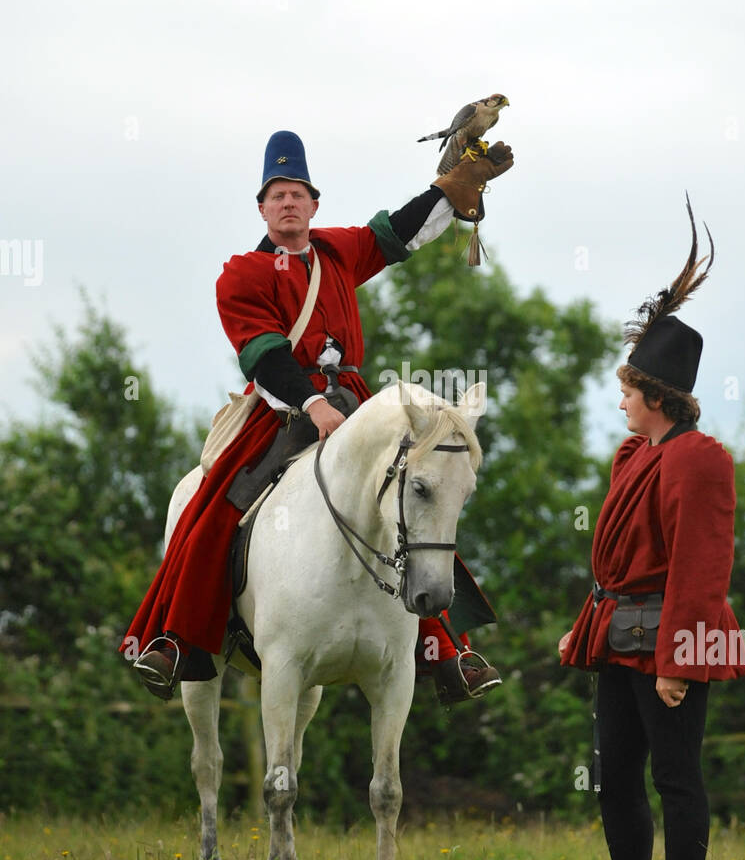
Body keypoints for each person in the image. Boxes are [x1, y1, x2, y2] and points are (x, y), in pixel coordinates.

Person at [123, 129, 513, 705]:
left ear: (314, 204)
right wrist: (312, 403)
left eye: (297, 193)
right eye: (276, 194)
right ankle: (179, 638)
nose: (288, 202)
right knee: (215, 503)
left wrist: (449, 192)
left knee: (419, 488)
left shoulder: (337, 251)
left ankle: (443, 649)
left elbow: (398, 232)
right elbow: (263, 354)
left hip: (355, 402)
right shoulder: (241, 274)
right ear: (262, 207)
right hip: (280, 411)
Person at [559, 203, 745, 860]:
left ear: (657, 397)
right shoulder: (637, 454)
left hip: (671, 639)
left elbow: (701, 568)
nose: (620, 403)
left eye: (628, 392)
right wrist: (589, 623)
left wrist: (678, 657)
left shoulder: (699, 461)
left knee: (676, 779)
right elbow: (615, 561)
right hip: (619, 637)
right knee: (614, 782)